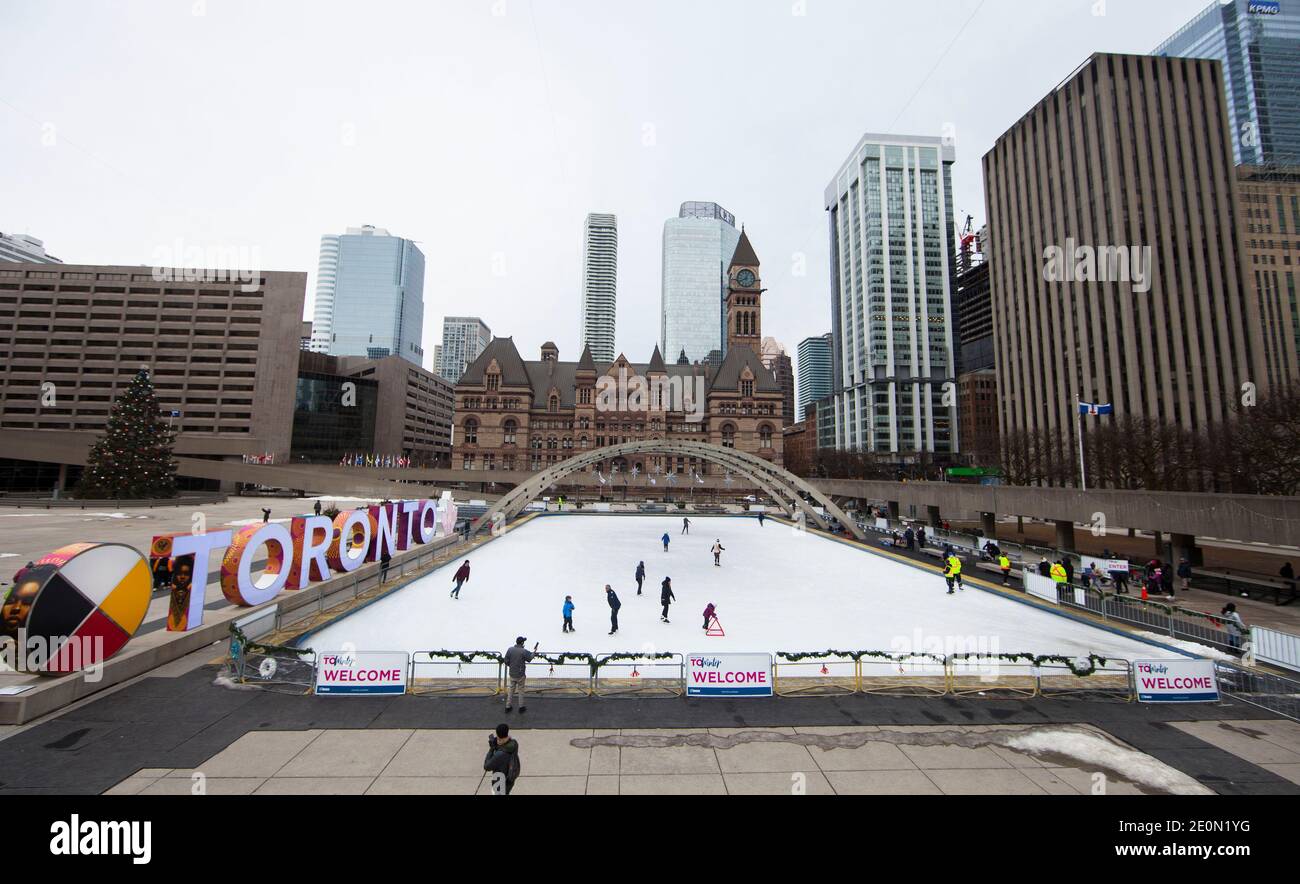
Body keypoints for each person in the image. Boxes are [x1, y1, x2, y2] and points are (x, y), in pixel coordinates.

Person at [483, 723, 521, 796]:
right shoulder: (514, 744)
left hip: (499, 782)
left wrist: (491, 749)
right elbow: (505, 746)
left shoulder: (500, 754)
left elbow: (487, 767)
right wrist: (498, 745)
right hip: (509, 778)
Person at [503, 636, 535, 713]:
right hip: (520, 675)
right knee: (521, 691)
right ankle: (521, 707)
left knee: (511, 690)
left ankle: (508, 706)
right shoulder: (523, 651)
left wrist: (511, 666)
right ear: (522, 643)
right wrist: (534, 653)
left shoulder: (510, 649)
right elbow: (529, 658)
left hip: (512, 674)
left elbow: (506, 660)